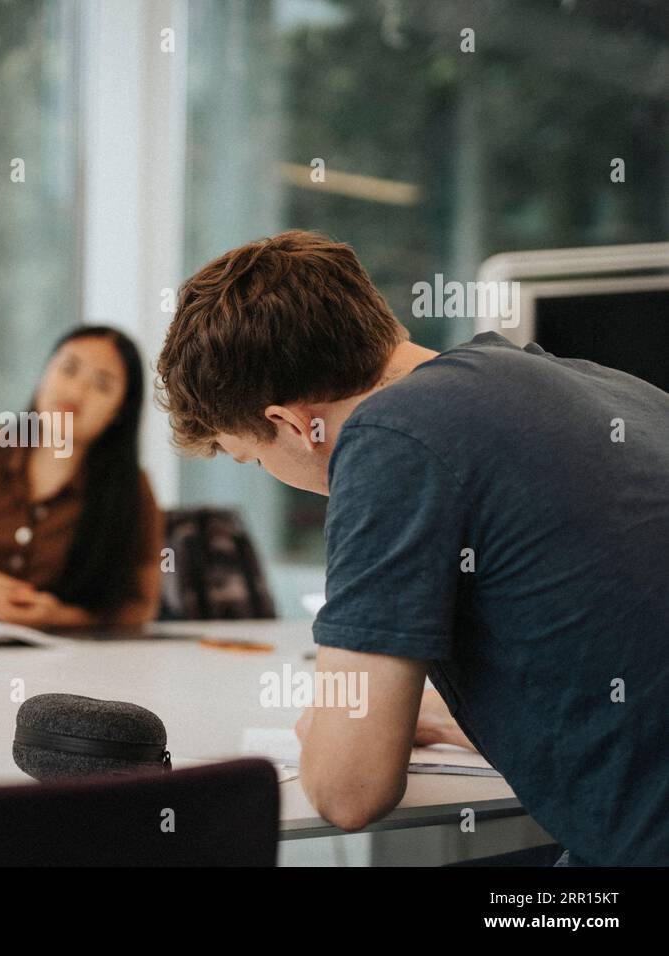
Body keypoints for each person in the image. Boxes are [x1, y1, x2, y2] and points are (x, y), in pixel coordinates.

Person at [156, 229, 669, 866]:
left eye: (255, 458)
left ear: (291, 424)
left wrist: (332, 723)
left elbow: (349, 791)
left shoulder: (390, 438)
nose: (268, 470)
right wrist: (442, 717)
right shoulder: (605, 389)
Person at [0, 325, 162, 630]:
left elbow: (140, 606)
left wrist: (60, 617)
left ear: (119, 412)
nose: (76, 391)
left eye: (101, 384)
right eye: (68, 369)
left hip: (64, 658)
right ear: (45, 371)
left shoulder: (132, 490)